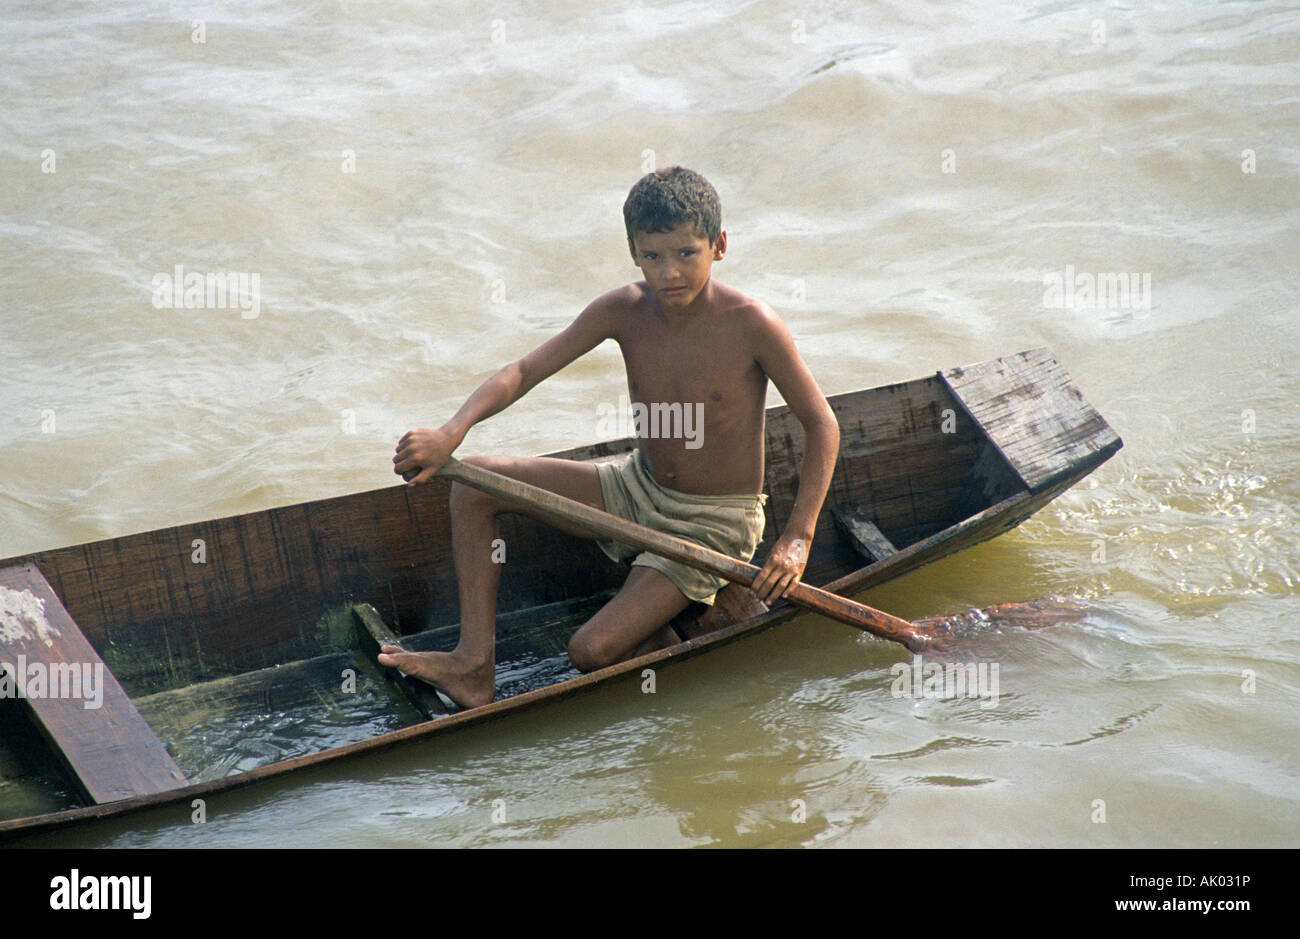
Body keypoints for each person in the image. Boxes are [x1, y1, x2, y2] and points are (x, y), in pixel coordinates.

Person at [382, 166, 840, 708]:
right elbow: (524, 371)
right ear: (633, 252)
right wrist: (450, 433)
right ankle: (472, 665)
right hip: (635, 487)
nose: (668, 273)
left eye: (685, 253)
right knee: (474, 484)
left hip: (713, 524)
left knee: (590, 651)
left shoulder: (752, 323)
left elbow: (822, 424)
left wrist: (796, 540)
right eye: (652, 256)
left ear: (718, 246)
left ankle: (678, 633)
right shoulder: (623, 310)